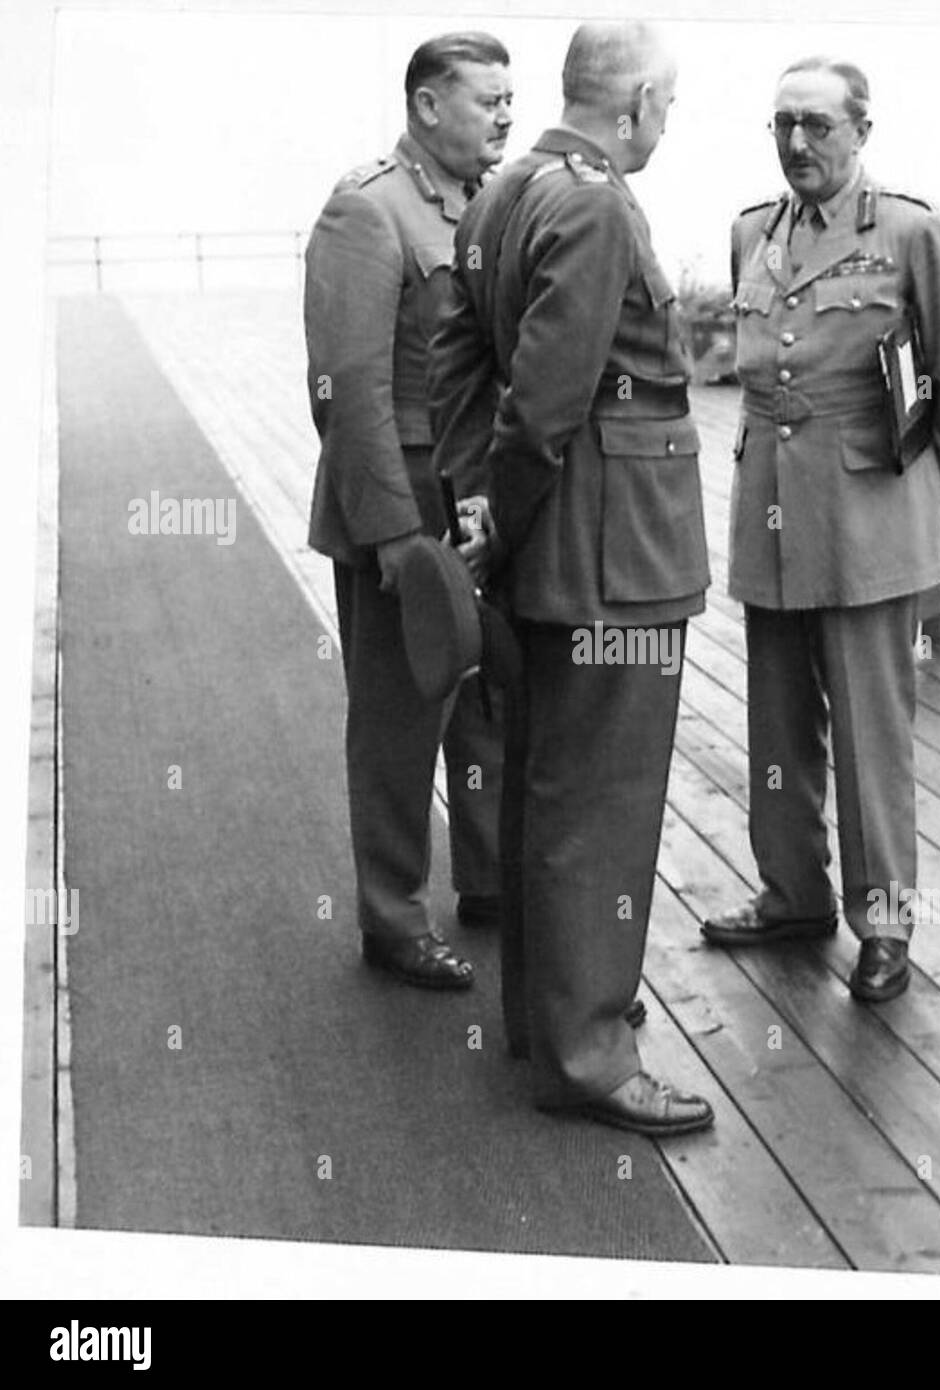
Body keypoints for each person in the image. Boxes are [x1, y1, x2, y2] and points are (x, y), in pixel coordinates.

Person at [430, 21, 714, 1135]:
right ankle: (590, 1055)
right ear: (636, 101)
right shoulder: (592, 201)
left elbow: (457, 365)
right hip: (612, 552)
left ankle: (547, 1018)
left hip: (556, 548)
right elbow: (544, 400)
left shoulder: (505, 190)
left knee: (548, 785)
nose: (665, 121)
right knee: (601, 800)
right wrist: (499, 521)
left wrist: (472, 504)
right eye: (669, 102)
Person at [701, 58, 940, 1003]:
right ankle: (793, 893)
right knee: (779, 724)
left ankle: (884, 925)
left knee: (873, 741)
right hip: (771, 520)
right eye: (782, 125)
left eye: (817, 126)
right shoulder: (753, 229)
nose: (797, 145)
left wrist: (915, 512)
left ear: (861, 132)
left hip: (868, 524)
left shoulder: (910, 233)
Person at [304, 33, 513, 990]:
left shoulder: (489, 206)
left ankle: (486, 882)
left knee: (485, 701)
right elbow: (346, 390)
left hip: (474, 500)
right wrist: (391, 530)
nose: (505, 116)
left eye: (511, 100)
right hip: (401, 504)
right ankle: (391, 922)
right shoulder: (368, 209)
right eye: (486, 101)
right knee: (398, 720)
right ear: (428, 107)